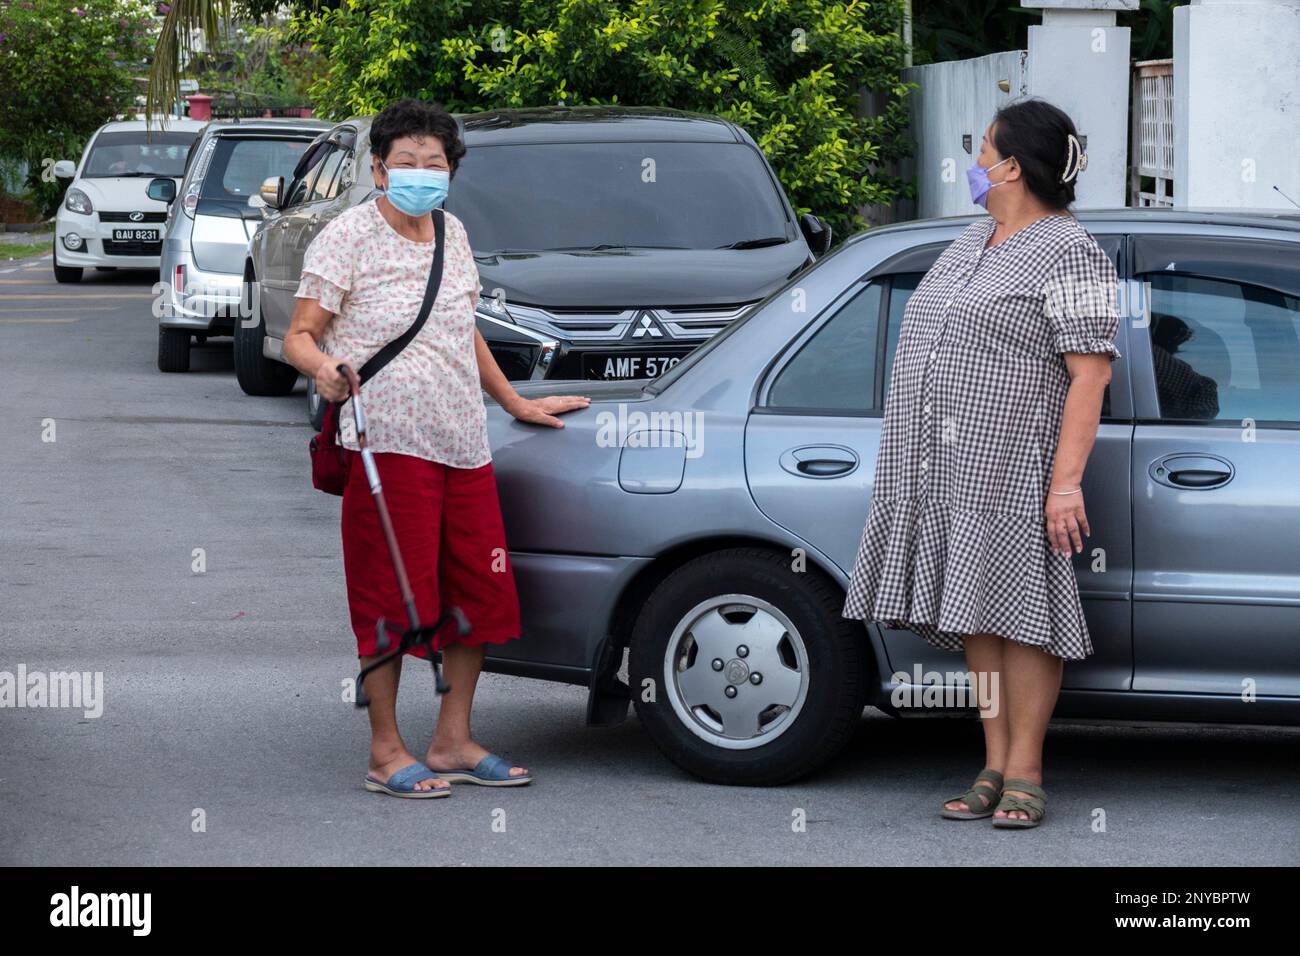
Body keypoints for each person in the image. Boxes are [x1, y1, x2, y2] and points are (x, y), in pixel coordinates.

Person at [283, 98, 590, 798]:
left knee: (477, 595)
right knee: (390, 596)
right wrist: (324, 369)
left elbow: (462, 326)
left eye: (435, 163)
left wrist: (513, 400)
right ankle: (385, 751)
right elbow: (300, 335)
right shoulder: (347, 237)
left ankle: (452, 740)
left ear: (451, 171)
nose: (422, 174)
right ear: (378, 169)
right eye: (406, 163)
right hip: (386, 446)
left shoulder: (452, 232)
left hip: (463, 445)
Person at [842, 98, 1122, 828]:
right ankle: (994, 761)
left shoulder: (1073, 249)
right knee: (979, 618)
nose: (973, 163)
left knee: (1026, 619)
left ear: (1012, 165)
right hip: (942, 467)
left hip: (1015, 465)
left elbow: (1090, 373)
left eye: (983, 149)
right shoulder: (973, 240)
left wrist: (1064, 485)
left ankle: (1028, 770)